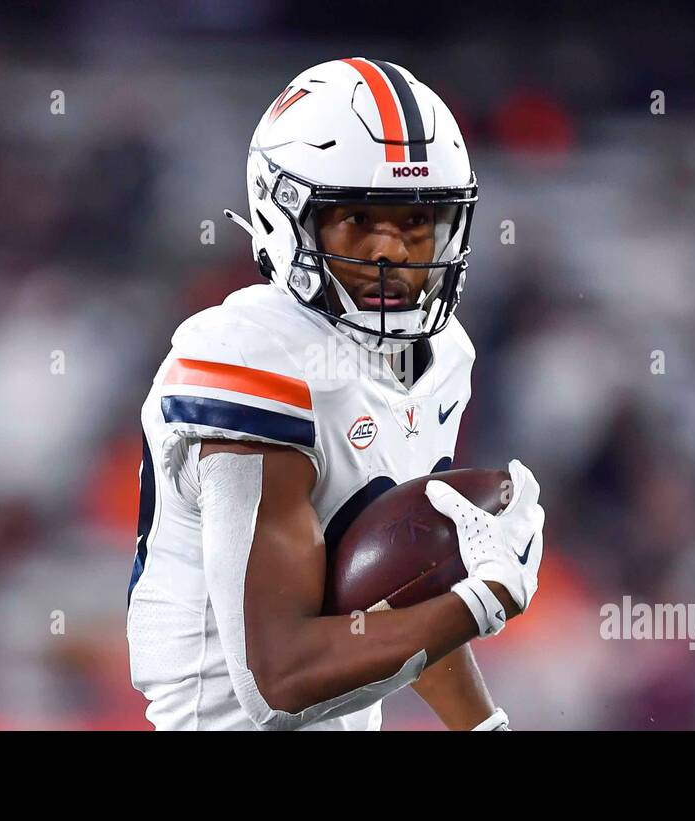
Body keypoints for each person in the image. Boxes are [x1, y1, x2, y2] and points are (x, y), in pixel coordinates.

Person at [127, 58, 545, 730]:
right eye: (359, 218)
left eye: (416, 221)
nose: (393, 252)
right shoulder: (251, 356)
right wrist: (481, 600)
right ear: (286, 216)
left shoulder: (442, 356)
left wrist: (481, 725)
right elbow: (278, 683)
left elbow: (398, 583)